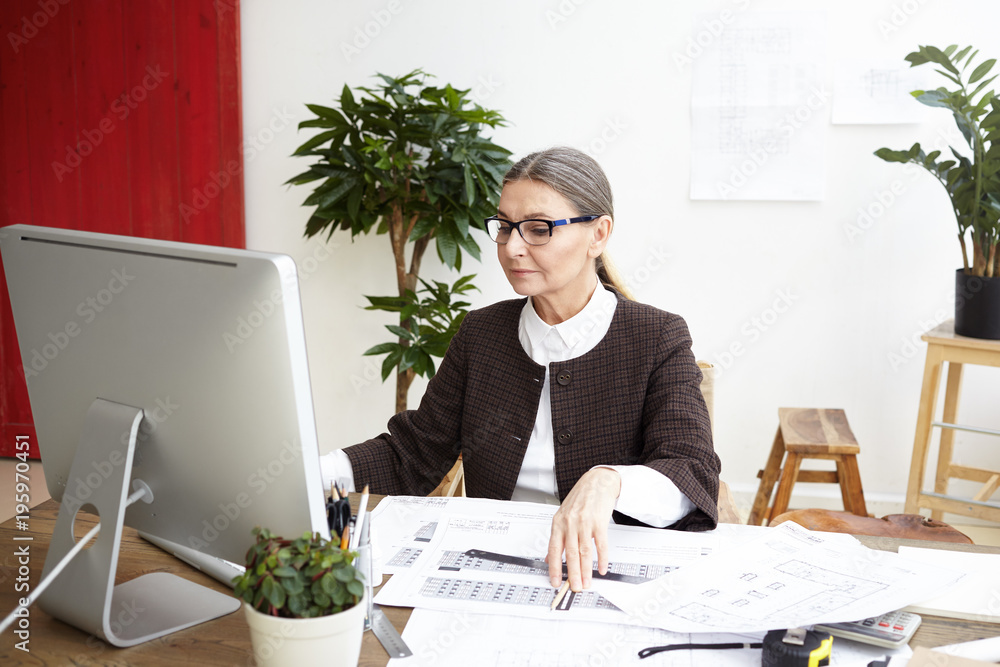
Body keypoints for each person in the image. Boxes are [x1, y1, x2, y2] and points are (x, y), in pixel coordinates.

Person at [321, 146, 720, 593]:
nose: (512, 247)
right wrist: (309, 473)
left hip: (608, 576)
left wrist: (610, 481)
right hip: (492, 573)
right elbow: (413, 454)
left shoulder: (655, 336)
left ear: (598, 235)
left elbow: (690, 471)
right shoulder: (482, 333)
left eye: (537, 229)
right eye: (505, 227)